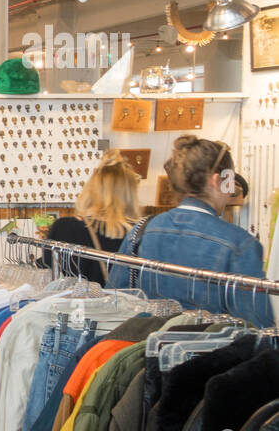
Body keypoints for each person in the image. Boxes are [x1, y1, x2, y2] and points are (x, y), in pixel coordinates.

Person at [108, 136, 273, 326]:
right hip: (211, 353)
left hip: (144, 350)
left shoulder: (142, 230)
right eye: (230, 181)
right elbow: (258, 329)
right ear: (216, 180)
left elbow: (115, 301)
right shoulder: (240, 245)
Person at [42, 150, 141, 285]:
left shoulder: (64, 227)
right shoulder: (141, 233)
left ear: (90, 189)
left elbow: (47, 276)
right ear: (131, 194)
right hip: (125, 304)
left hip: (74, 305)